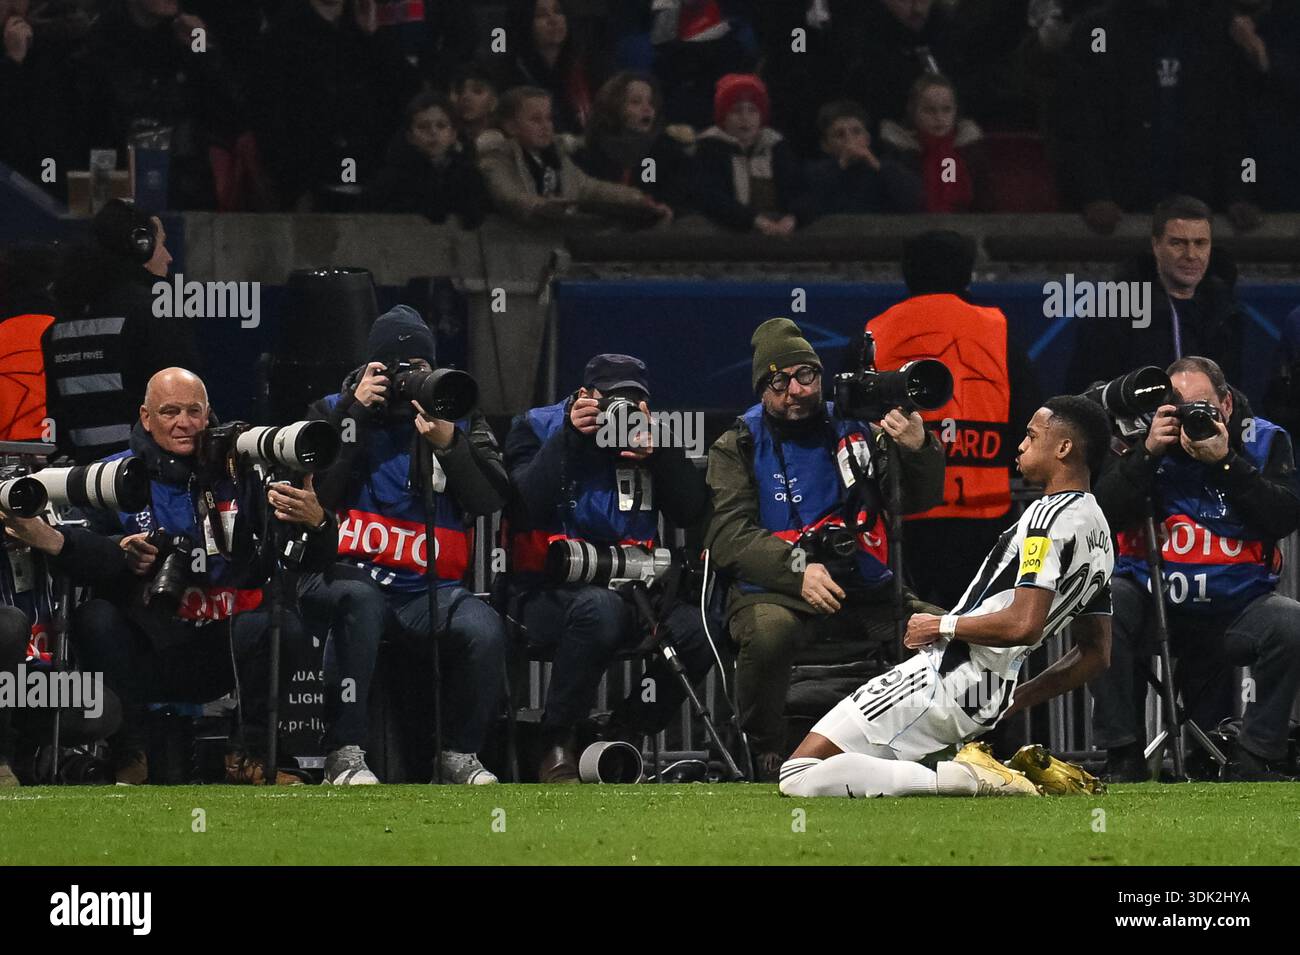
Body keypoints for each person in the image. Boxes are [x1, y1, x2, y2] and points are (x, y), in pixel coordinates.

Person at [3, 367, 339, 785]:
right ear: (146, 418)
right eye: (170, 412)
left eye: (194, 411)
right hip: (144, 647)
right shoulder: (111, 477)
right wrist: (120, 551)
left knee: (282, 623)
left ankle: (250, 754)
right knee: (97, 617)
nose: (184, 423)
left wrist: (318, 522)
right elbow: (73, 552)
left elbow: (307, 560)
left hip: (219, 645)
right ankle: (130, 755)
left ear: (208, 414)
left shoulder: (241, 473)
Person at [779, 395, 1115, 798]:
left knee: (798, 774)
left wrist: (941, 624)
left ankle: (967, 778)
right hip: (987, 695)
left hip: (946, 676)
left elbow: (1024, 624)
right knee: (872, 772)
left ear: (1063, 448)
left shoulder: (1048, 518)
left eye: (1031, 436)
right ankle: (969, 773)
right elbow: (1096, 653)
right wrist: (1017, 698)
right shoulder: (1101, 534)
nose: (1021, 445)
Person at [703, 318, 946, 781]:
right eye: (780, 381)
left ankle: (930, 749)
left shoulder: (856, 425)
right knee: (770, 633)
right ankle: (765, 749)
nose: (797, 390)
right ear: (762, 390)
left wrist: (919, 449)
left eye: (806, 375)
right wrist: (798, 571)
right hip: (775, 591)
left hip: (863, 587)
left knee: (945, 632)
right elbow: (729, 533)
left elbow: (914, 500)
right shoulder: (738, 443)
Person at [301, 306, 509, 785]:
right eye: (396, 369)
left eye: (419, 368)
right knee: (361, 601)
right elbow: (320, 495)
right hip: (346, 578)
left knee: (484, 628)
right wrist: (354, 414)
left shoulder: (455, 411)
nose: (407, 380)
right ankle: (343, 755)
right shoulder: (330, 410)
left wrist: (450, 445)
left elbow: (490, 498)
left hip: (427, 591)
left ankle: (457, 756)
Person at [504, 353, 715, 783]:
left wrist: (662, 454)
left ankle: (622, 733)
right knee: (600, 610)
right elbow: (523, 506)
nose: (620, 412)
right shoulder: (537, 426)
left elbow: (691, 511)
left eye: (633, 401)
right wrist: (570, 437)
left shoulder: (650, 434)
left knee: (702, 630)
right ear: (585, 396)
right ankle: (557, 741)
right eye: (610, 400)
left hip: (634, 592)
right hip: (545, 593)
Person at [1087, 356, 1300, 782]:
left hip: (1235, 611)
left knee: (1291, 623)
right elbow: (1102, 513)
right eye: (1178, 407)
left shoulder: (1262, 441)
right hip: (1154, 607)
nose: (1190, 418)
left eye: (1201, 407)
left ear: (1225, 404)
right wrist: (1147, 454)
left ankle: (1255, 756)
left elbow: (1283, 515)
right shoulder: (1138, 440)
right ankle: (1123, 754)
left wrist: (1225, 462)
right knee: (1103, 603)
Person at [867, 230, 1043, 607]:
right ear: (967, 273)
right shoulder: (998, 329)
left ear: (907, 272)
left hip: (904, 512)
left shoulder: (876, 331)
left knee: (908, 623)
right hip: (984, 511)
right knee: (978, 622)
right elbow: (1029, 417)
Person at [1050, 0, 1261, 234]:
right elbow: (1076, 123)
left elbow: (1234, 123)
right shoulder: (1098, 31)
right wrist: (1094, 194)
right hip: (1122, 212)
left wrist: (1240, 193)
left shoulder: (1215, 30)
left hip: (1198, 209)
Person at [44, 198, 200, 464]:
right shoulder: (155, 314)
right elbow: (185, 408)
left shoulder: (57, 329)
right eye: (161, 244)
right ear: (141, 246)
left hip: (85, 477)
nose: (168, 256)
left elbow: (59, 424)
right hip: (144, 476)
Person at [1065, 195, 1248, 395]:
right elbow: (1086, 394)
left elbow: (1232, 395)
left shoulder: (1225, 311)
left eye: (1200, 243)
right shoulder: (1114, 311)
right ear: (1156, 245)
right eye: (1178, 243)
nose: (1191, 255)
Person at [476, 86, 671, 228]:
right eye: (536, 120)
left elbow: (589, 188)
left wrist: (637, 199)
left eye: (549, 118)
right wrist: (539, 207)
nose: (546, 126)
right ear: (511, 126)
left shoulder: (556, 157)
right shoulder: (497, 157)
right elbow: (508, 194)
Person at [574, 71, 699, 217]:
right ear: (614, 107)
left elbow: (679, 200)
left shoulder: (667, 151)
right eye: (635, 102)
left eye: (651, 102)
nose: (647, 108)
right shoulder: (590, 153)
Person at [693, 73, 806, 234]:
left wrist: (793, 217)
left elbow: (800, 191)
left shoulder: (775, 147)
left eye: (752, 110)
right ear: (723, 117)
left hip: (778, 231)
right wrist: (753, 220)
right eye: (736, 111)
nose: (745, 118)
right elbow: (711, 197)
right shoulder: (709, 149)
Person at [365, 91, 489, 228]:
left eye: (441, 126)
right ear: (410, 136)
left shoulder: (469, 175)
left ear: (453, 134)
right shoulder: (391, 178)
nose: (433, 132)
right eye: (423, 127)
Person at [878, 74, 989, 213]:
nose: (939, 117)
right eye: (929, 110)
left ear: (955, 110)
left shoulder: (969, 152)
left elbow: (984, 201)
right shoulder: (898, 153)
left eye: (946, 109)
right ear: (913, 111)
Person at [799, 99, 923, 218]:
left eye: (857, 132)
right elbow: (806, 210)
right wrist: (841, 167)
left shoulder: (890, 168)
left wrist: (877, 166)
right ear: (826, 145)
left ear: (867, 138)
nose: (850, 139)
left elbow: (914, 202)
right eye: (840, 135)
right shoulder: (815, 173)